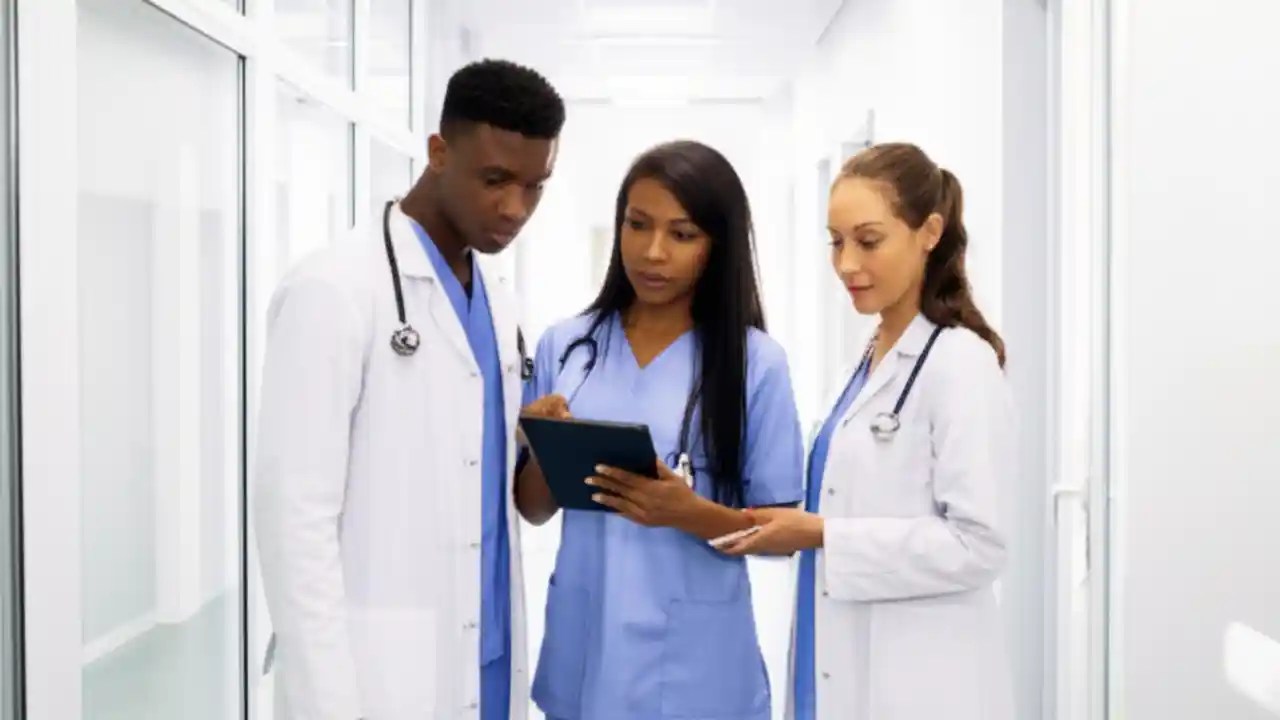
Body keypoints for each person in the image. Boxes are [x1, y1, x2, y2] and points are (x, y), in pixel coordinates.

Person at [253, 59, 564, 720]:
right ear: (437, 151)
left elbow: (478, 474)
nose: (515, 209)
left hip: (485, 646)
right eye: (495, 180)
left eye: (535, 187)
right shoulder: (333, 289)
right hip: (378, 674)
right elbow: (294, 522)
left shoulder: (499, 302)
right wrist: (326, 702)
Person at [722, 142, 1015, 720]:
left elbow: (979, 545)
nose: (846, 263)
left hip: (920, 683)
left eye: (868, 240)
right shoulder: (864, 361)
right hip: (838, 658)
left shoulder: (961, 363)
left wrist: (825, 535)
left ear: (929, 232)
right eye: (836, 242)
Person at [516, 140, 805, 720]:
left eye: (682, 234)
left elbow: (785, 533)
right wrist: (547, 445)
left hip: (695, 661)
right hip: (587, 643)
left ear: (717, 245)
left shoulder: (755, 363)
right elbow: (532, 508)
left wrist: (686, 511)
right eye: (637, 224)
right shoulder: (568, 346)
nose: (652, 252)